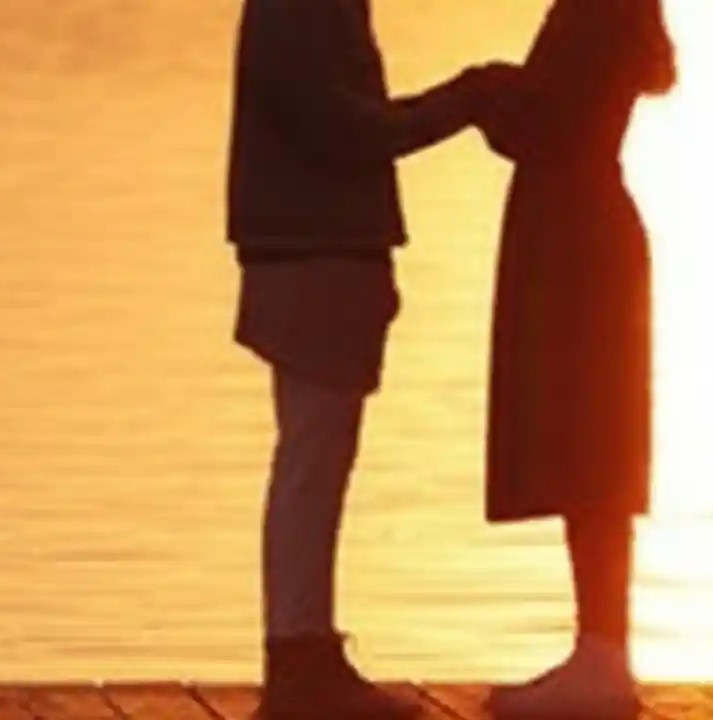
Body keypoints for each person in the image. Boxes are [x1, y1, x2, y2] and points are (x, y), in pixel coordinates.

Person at [226, 1, 517, 718]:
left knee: (314, 459)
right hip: (314, 254)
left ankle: (303, 652)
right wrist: (463, 100)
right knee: (313, 461)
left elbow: (341, 126)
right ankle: (300, 661)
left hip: (311, 252)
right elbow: (344, 133)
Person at [472, 0, 676, 717]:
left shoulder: (596, 9)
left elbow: (551, 126)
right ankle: (599, 648)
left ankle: (603, 655)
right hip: (578, 230)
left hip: (575, 243)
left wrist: (484, 94)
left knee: (590, 446)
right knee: (587, 446)